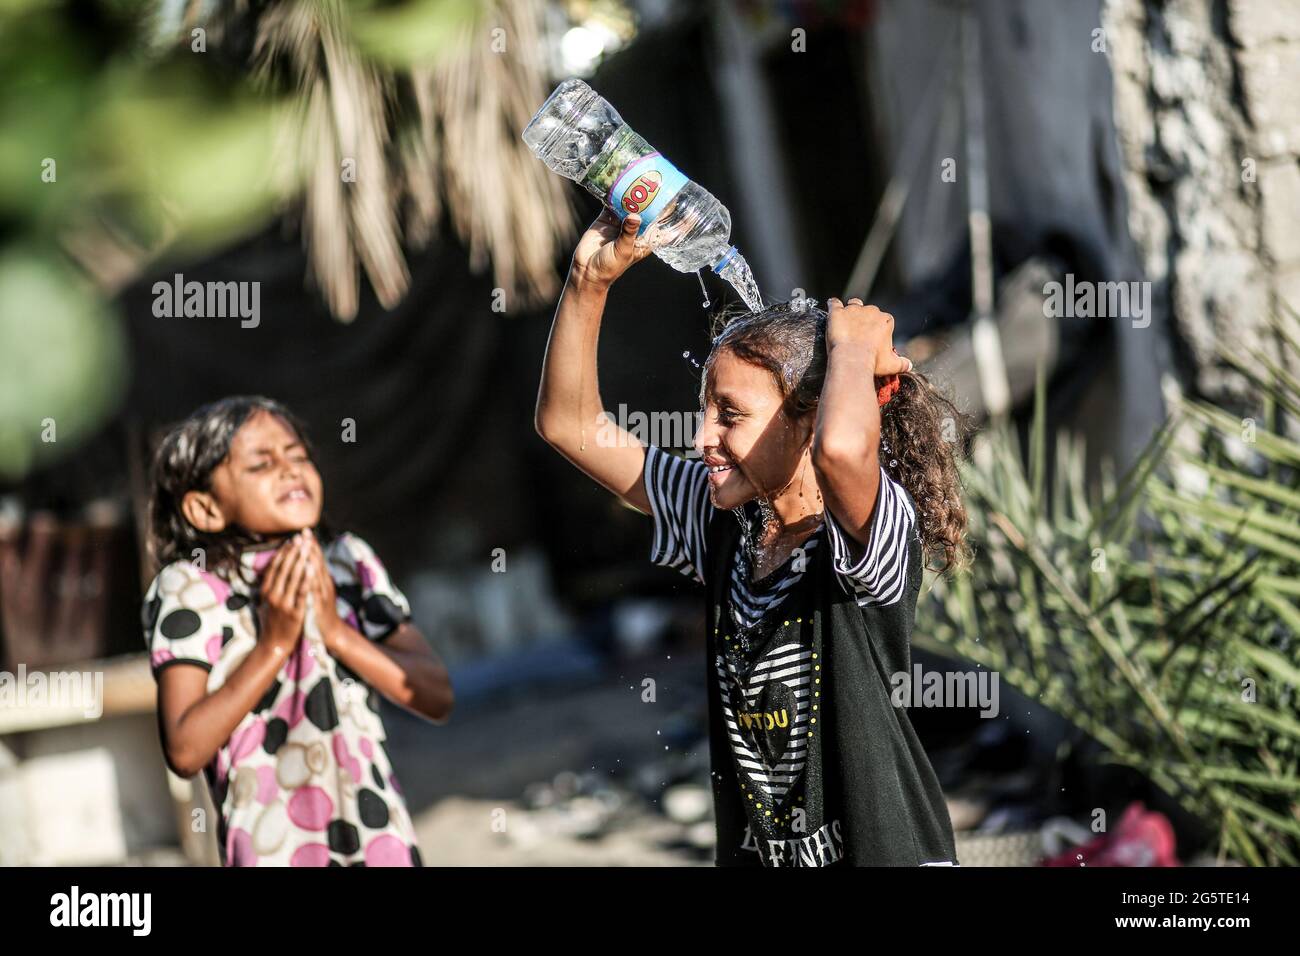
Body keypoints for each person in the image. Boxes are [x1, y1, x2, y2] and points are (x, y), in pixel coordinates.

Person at [536, 211, 968, 866]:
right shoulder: (726, 530)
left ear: (808, 422)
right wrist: (587, 281)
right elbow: (568, 424)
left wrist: (851, 344)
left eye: (730, 415)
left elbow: (846, 451)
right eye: (705, 410)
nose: (702, 437)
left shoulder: (865, 544)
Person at [143, 396, 453, 866]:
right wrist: (275, 644)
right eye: (262, 464)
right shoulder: (191, 586)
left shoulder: (349, 563)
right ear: (205, 509)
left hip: (378, 840)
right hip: (276, 850)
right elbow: (185, 748)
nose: (291, 471)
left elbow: (435, 696)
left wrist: (334, 631)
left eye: (298, 456)